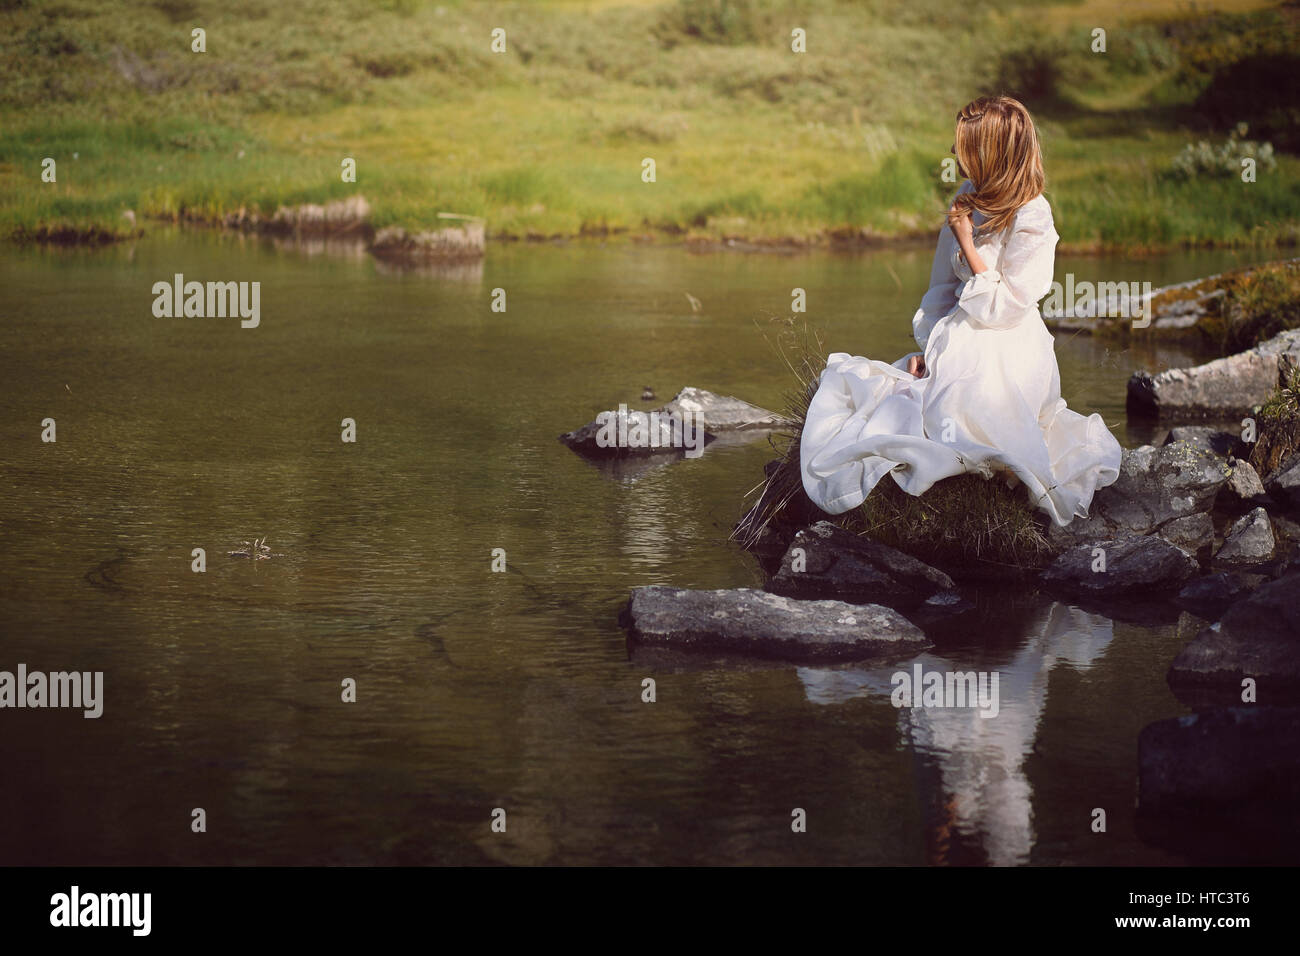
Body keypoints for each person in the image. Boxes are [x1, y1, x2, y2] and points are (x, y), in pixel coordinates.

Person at [800, 95, 1121, 527]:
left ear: (994, 152)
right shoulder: (966, 196)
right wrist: (930, 351)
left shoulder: (1033, 215)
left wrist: (967, 243)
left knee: (961, 419)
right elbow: (941, 291)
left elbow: (1003, 308)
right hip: (959, 337)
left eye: (964, 146)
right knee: (894, 394)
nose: (954, 154)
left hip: (1008, 347)